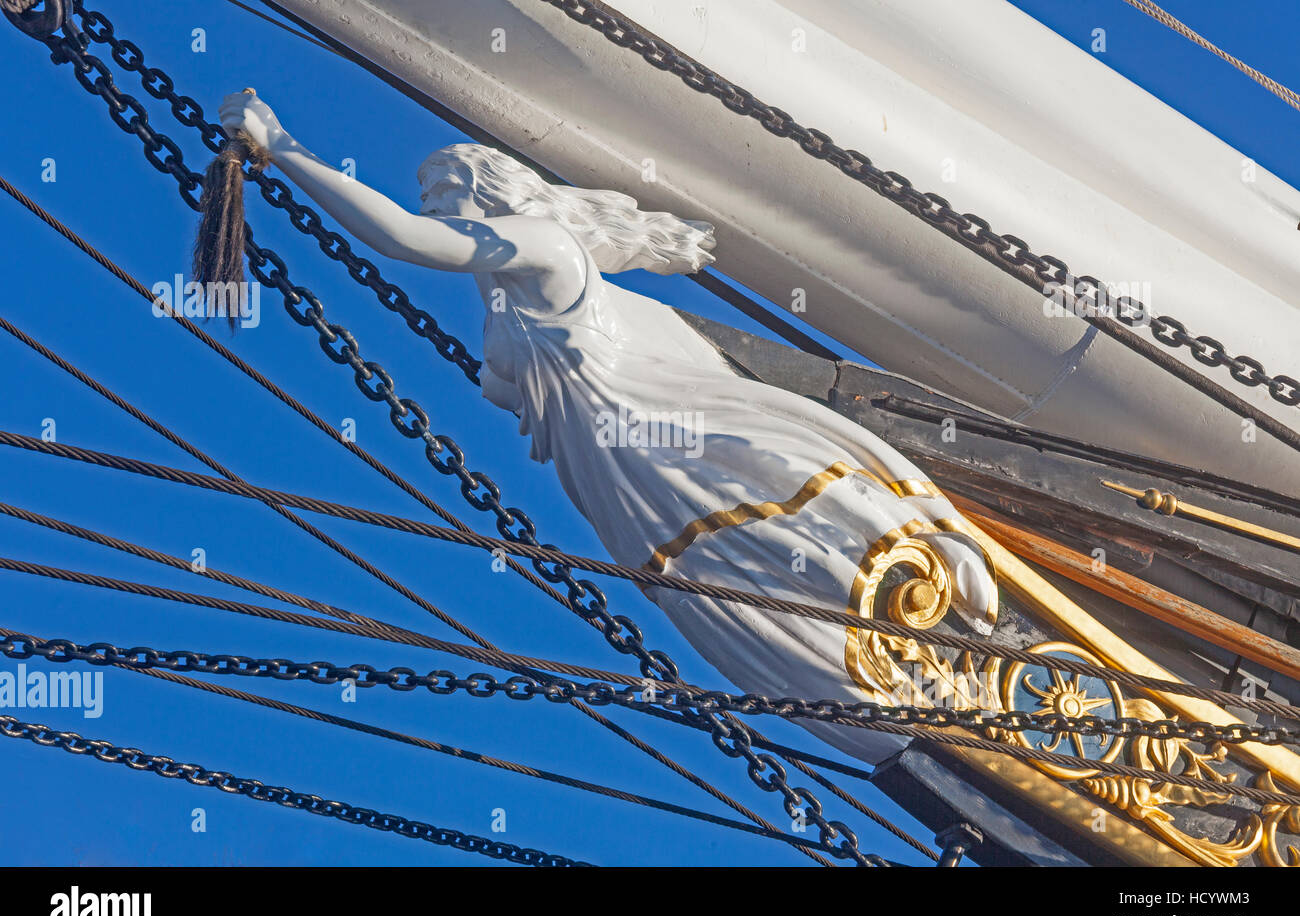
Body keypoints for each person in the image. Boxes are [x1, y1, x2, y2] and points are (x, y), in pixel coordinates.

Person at [220, 91, 998, 764]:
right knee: (725, 591)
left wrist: (284, 148)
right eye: (427, 196)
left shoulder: (550, 249)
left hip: (654, 435)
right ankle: (885, 689)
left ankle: (928, 643)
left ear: (484, 193)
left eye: (439, 193)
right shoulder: (503, 301)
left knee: (779, 537)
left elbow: (399, 238)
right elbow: (509, 377)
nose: (429, 208)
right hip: (617, 481)